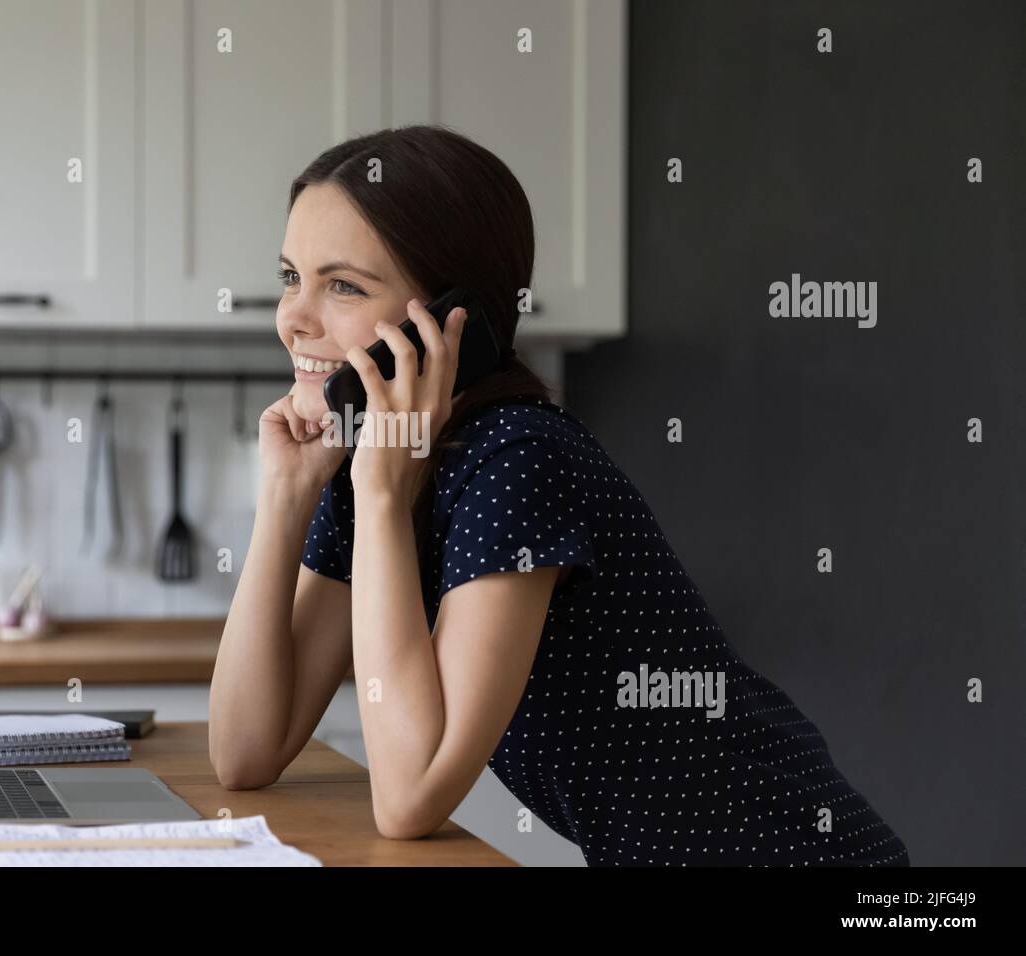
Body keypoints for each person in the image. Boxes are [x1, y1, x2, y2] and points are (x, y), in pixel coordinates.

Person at [209, 125, 909, 866]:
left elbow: (409, 797)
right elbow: (245, 753)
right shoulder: (377, 464)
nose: (295, 317)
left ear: (452, 318)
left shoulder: (517, 458)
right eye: (291, 277)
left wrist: (380, 496)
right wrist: (286, 498)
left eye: (342, 284)